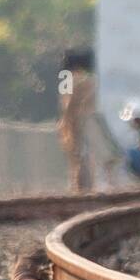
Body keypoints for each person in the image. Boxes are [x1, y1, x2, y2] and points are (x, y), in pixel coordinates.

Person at [57, 48, 96, 191]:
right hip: (91, 123)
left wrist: (64, 124)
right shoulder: (93, 79)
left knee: (78, 159)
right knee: (87, 157)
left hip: (77, 124)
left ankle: (81, 189)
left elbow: (65, 105)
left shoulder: (66, 77)